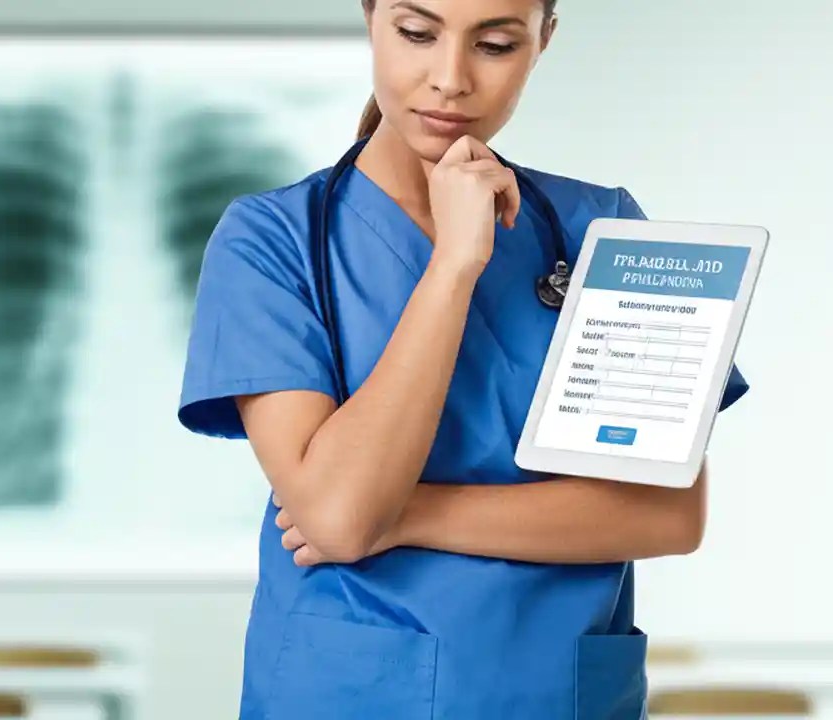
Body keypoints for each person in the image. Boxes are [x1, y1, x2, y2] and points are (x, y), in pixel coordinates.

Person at [176, 1, 749, 718]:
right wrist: (454, 265)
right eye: (417, 33)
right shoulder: (271, 241)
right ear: (370, 20)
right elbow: (338, 516)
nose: (450, 78)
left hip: (555, 694)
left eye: (497, 44)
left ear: (544, 41)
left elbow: (669, 513)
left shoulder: (602, 231)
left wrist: (407, 515)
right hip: (347, 696)